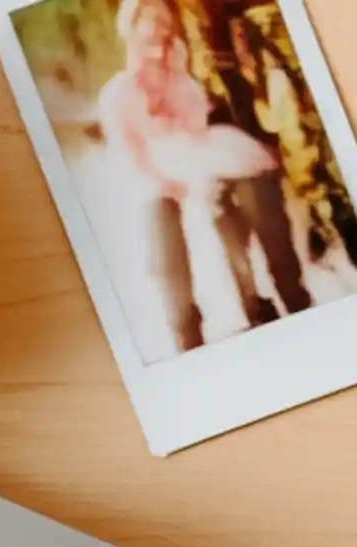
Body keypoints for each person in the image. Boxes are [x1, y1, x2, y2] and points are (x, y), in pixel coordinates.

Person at [98, 0, 310, 351]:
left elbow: (195, 134)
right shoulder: (118, 91)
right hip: (150, 173)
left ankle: (264, 302)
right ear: (130, 27)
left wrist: (173, 104)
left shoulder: (181, 81)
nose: (157, 29)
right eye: (147, 20)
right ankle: (189, 334)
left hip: (190, 161)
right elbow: (127, 150)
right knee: (164, 238)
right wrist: (166, 181)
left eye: (164, 22)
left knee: (231, 203)